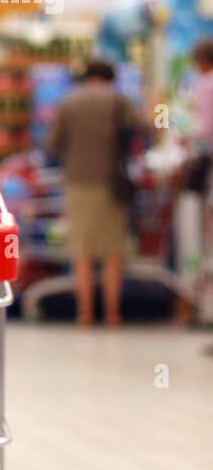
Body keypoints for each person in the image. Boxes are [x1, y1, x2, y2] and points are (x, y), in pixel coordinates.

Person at [47, 59, 148, 328]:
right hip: (111, 183)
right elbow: (146, 129)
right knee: (112, 250)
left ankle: (85, 313)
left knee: (82, 250)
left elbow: (53, 143)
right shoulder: (118, 101)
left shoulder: (68, 102)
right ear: (110, 77)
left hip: (78, 181)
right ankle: (113, 314)